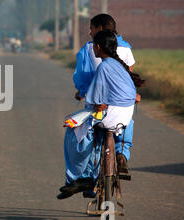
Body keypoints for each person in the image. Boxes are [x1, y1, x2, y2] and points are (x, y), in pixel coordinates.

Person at [58, 30, 144, 199]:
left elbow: (93, 99)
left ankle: (79, 177)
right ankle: (121, 154)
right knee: (94, 123)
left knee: (75, 129)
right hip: (126, 116)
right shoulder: (122, 66)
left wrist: (92, 103)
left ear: (97, 47)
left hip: (109, 116)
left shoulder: (104, 66)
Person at [73, 14, 138, 177]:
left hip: (99, 103)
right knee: (127, 120)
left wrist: (81, 92)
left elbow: (84, 76)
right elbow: (129, 74)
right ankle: (122, 153)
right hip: (122, 102)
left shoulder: (90, 48)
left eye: (91, 28)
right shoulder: (126, 48)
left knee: (88, 130)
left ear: (100, 29)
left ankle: (89, 174)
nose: (89, 33)